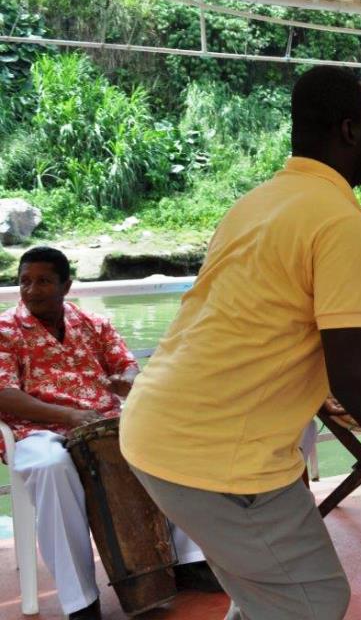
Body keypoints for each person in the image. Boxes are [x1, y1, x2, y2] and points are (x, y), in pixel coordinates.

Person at [119, 66, 361, 620]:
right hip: (214, 453)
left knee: (266, 601)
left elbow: (252, 322)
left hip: (158, 430)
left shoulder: (258, 201)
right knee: (312, 602)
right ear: (349, 130)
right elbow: (354, 377)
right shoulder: (342, 224)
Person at [0, 247, 218, 620]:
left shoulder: (93, 322)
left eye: (43, 281)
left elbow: (127, 365)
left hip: (104, 424)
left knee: (168, 441)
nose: (31, 290)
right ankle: (80, 599)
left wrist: (126, 380)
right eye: (24, 281)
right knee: (52, 467)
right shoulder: (5, 330)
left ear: (66, 285)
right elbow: (4, 394)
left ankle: (189, 560)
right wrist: (68, 415)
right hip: (36, 431)